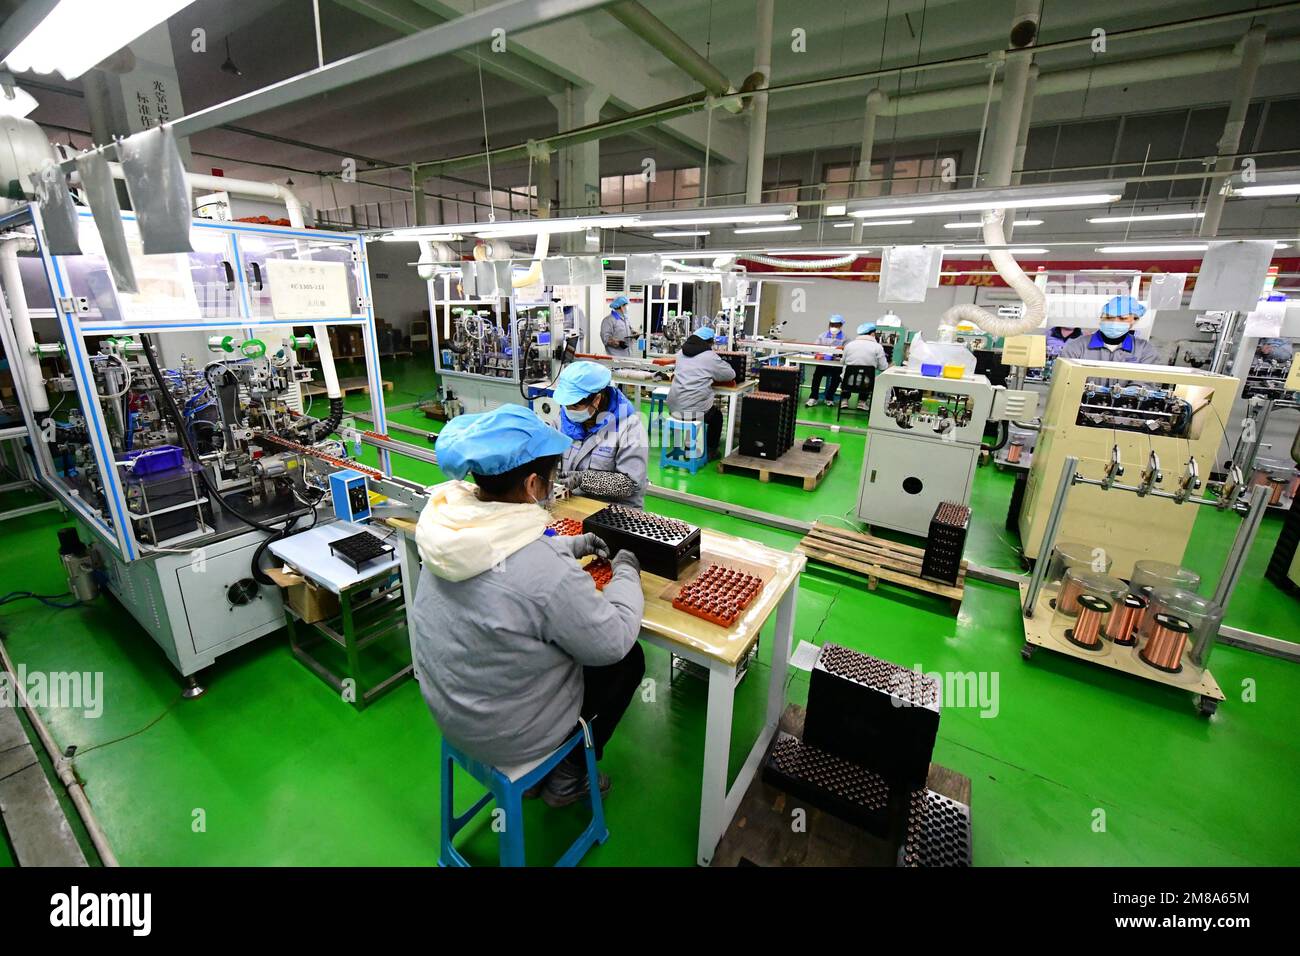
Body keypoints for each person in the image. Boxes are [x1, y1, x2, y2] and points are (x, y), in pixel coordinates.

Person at [413, 404, 645, 807]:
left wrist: (570, 546)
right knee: (628, 660)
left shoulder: (445, 530)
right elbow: (613, 638)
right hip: (512, 736)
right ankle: (567, 775)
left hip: (452, 716)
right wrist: (627, 570)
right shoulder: (545, 573)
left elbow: (501, 552)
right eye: (552, 479)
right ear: (533, 485)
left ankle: (536, 771)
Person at [552, 360, 649, 508]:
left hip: (615, 513)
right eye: (566, 405)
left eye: (575, 405)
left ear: (597, 399)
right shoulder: (563, 419)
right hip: (573, 503)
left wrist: (584, 480)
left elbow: (630, 484)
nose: (569, 410)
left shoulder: (629, 427)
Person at [667, 326, 736, 461]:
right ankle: (711, 451)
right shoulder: (709, 356)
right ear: (709, 342)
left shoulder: (681, 353)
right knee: (716, 417)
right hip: (692, 408)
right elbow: (730, 374)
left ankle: (689, 447)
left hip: (673, 406)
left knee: (692, 409)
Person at [840, 322, 889, 411]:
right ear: (873, 333)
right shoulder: (878, 347)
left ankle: (844, 400)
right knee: (867, 378)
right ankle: (862, 402)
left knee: (847, 375)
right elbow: (883, 367)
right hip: (866, 384)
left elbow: (842, 362)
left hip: (848, 382)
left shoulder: (849, 345)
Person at [806, 314, 846, 407]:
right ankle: (813, 397)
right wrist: (819, 353)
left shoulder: (845, 338)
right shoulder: (822, 335)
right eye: (832, 325)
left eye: (836, 325)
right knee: (817, 376)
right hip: (823, 362)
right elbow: (815, 348)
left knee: (837, 377)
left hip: (836, 364)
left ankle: (829, 397)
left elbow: (847, 350)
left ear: (840, 326)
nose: (834, 327)